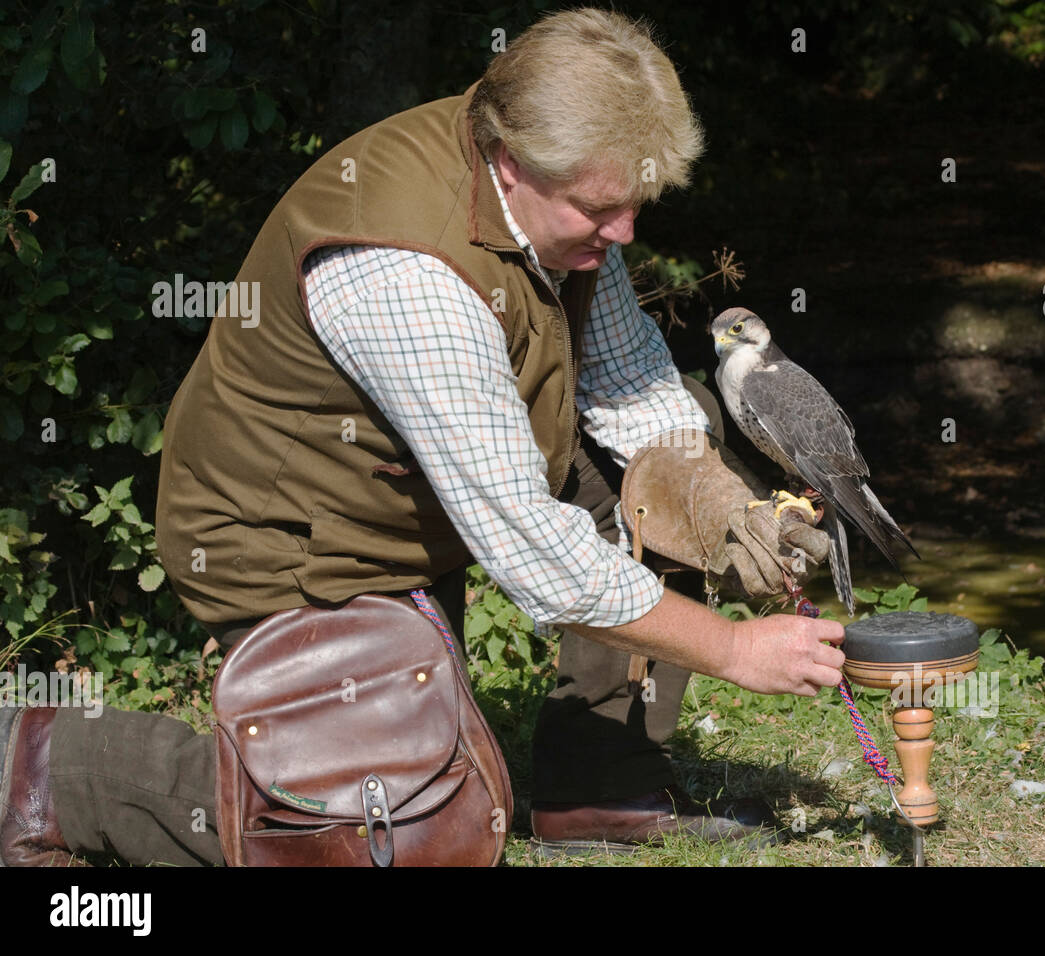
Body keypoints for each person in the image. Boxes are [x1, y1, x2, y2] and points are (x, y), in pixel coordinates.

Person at [0, 8, 845, 866]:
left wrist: (723, 507)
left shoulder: (549, 162)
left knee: (678, 445)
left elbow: (628, 383)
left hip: (423, 494)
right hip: (291, 538)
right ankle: (43, 763)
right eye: (601, 208)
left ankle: (601, 786)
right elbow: (533, 552)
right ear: (514, 165)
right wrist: (734, 648)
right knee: (387, 841)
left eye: (634, 202)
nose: (625, 231)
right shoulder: (406, 270)